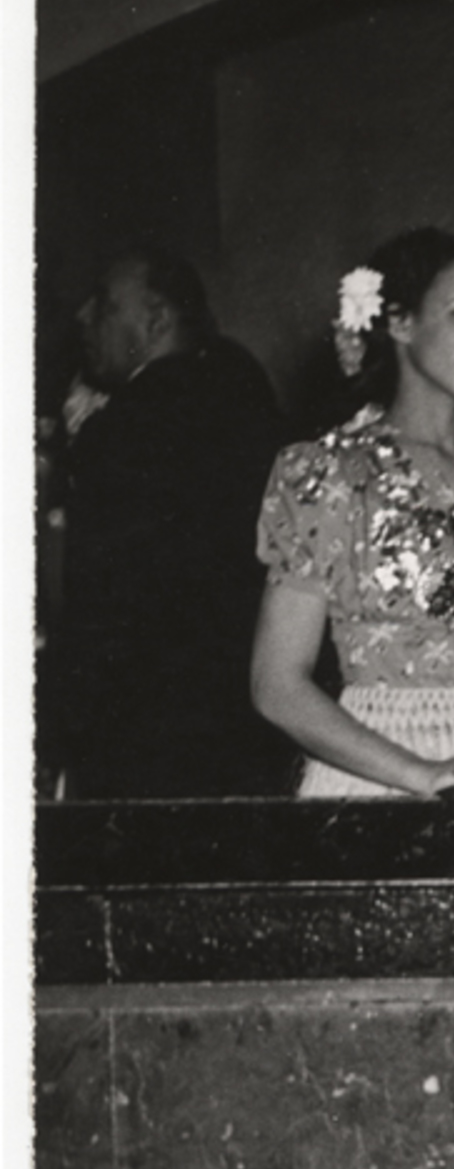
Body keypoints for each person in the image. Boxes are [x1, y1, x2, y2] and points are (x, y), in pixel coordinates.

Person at [251, 229, 454, 798]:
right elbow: (276, 684)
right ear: (399, 324)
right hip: (374, 778)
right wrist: (424, 775)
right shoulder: (327, 475)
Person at [50, 246, 287, 797]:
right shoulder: (244, 384)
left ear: (157, 321)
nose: (84, 316)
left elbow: (96, 605)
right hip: (247, 721)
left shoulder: (126, 427)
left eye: (105, 305)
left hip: (149, 730)